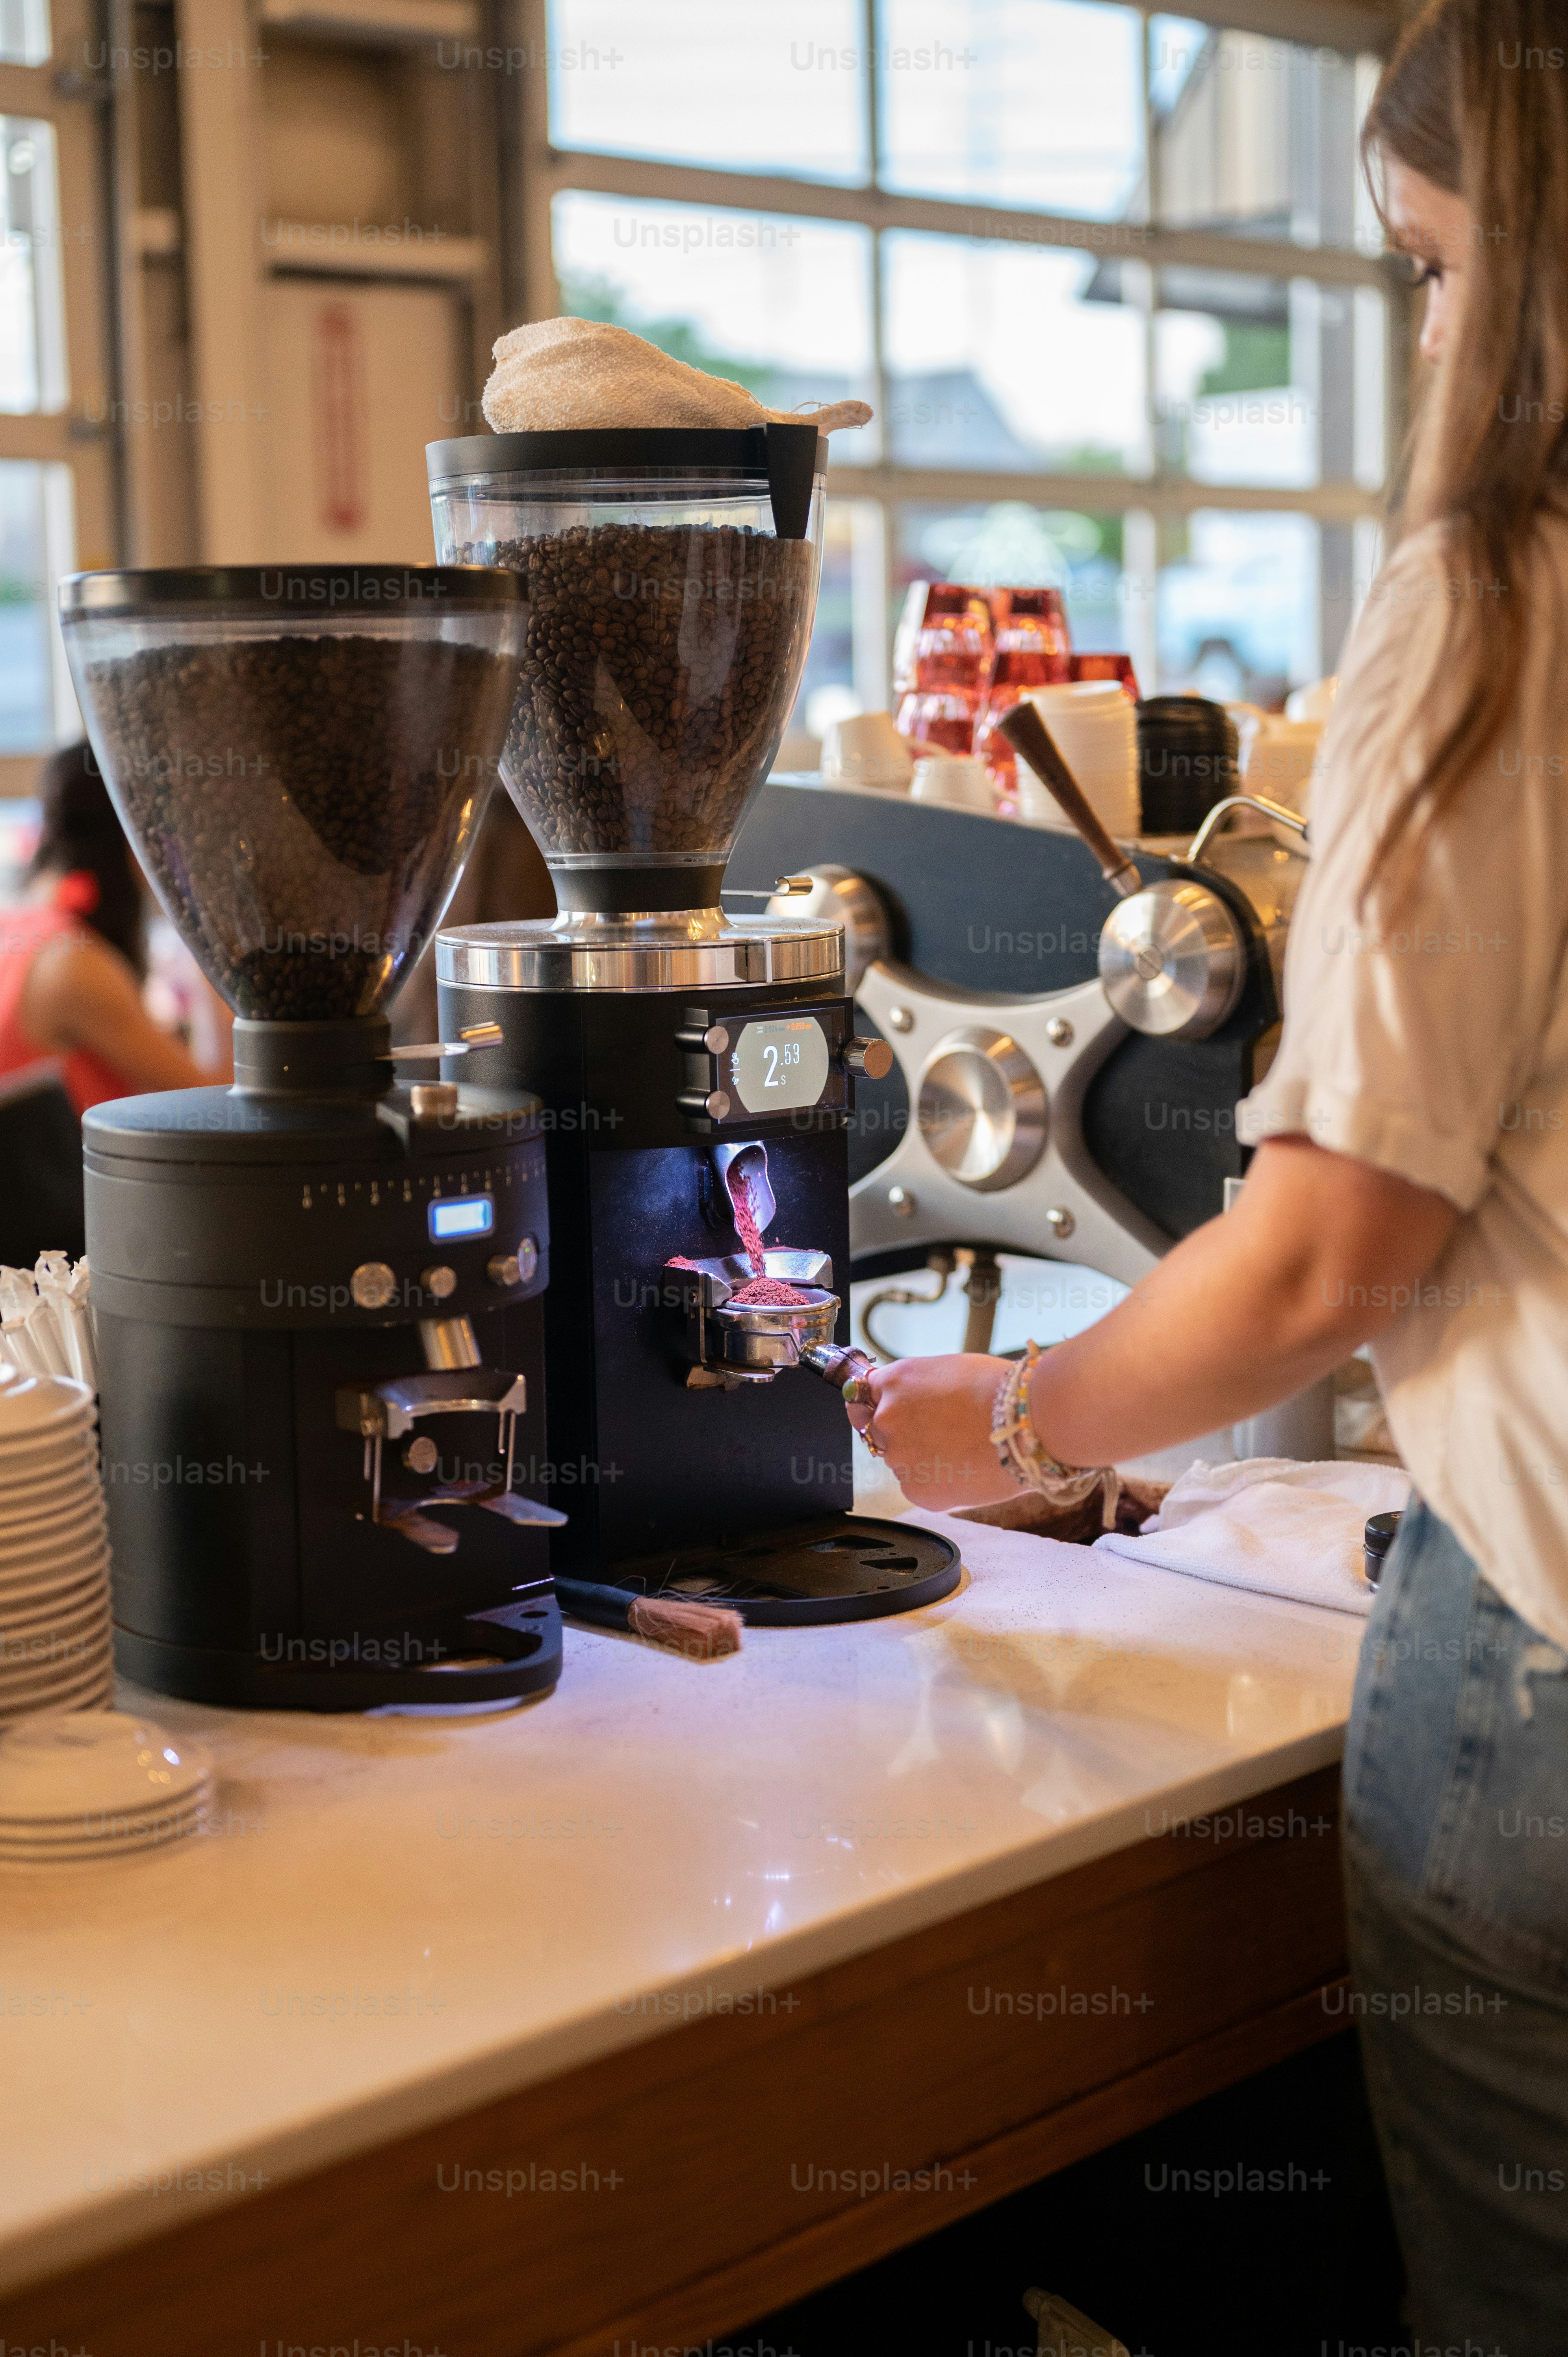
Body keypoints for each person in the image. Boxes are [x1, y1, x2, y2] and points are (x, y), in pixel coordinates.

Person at [844, 4, 1568, 2345]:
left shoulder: (1498, 597)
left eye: (1436, 264)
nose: (1435, 324)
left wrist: (1019, 1426)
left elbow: (1335, 1247)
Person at [0, 740, 232, 1111]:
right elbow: (215, 1106)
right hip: (69, 1169)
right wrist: (207, 941)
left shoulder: (17, 923)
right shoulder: (73, 966)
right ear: (133, 835)